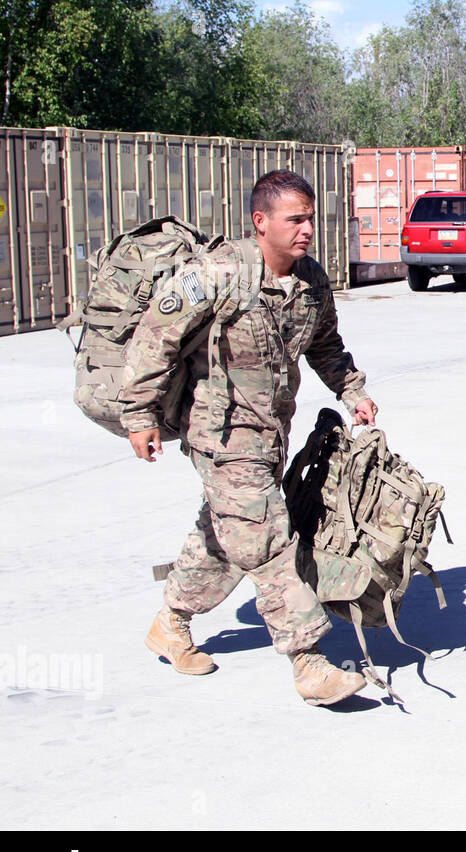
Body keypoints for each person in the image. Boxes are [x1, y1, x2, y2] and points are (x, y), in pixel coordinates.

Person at [120, 169, 378, 704]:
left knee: (226, 536)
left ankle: (170, 622)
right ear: (261, 222)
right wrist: (138, 413)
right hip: (220, 433)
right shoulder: (215, 274)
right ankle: (309, 661)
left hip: (269, 435)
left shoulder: (310, 281)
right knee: (265, 537)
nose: (307, 229)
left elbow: (326, 345)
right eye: (296, 219)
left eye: (311, 218)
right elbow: (155, 340)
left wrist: (352, 392)